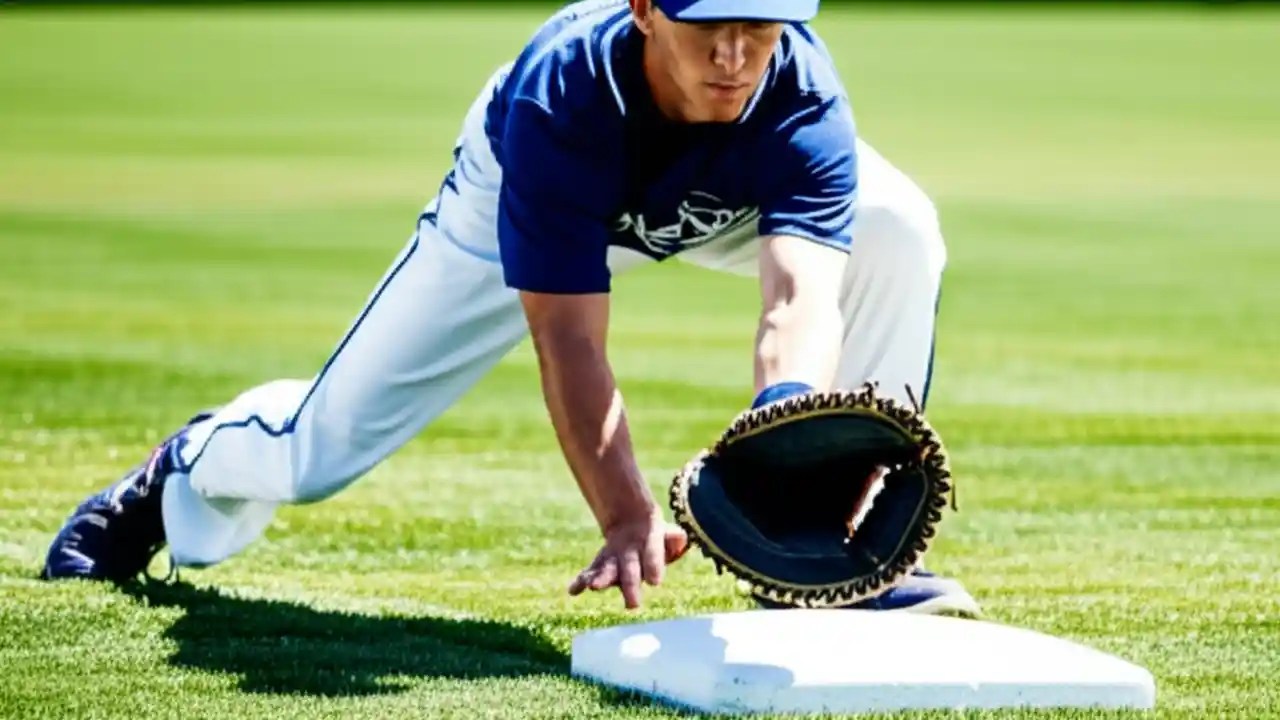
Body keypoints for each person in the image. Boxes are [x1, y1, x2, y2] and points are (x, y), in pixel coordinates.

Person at [41, 0, 979, 618]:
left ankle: (828, 553)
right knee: (318, 451)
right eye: (708, 28)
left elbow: (799, 295)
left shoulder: (800, 94)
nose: (737, 56)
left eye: (760, 27)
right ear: (647, 8)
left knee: (897, 227)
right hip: (522, 199)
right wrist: (623, 514)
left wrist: (785, 423)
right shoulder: (563, 98)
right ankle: (186, 466)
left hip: (718, 196)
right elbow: (570, 342)